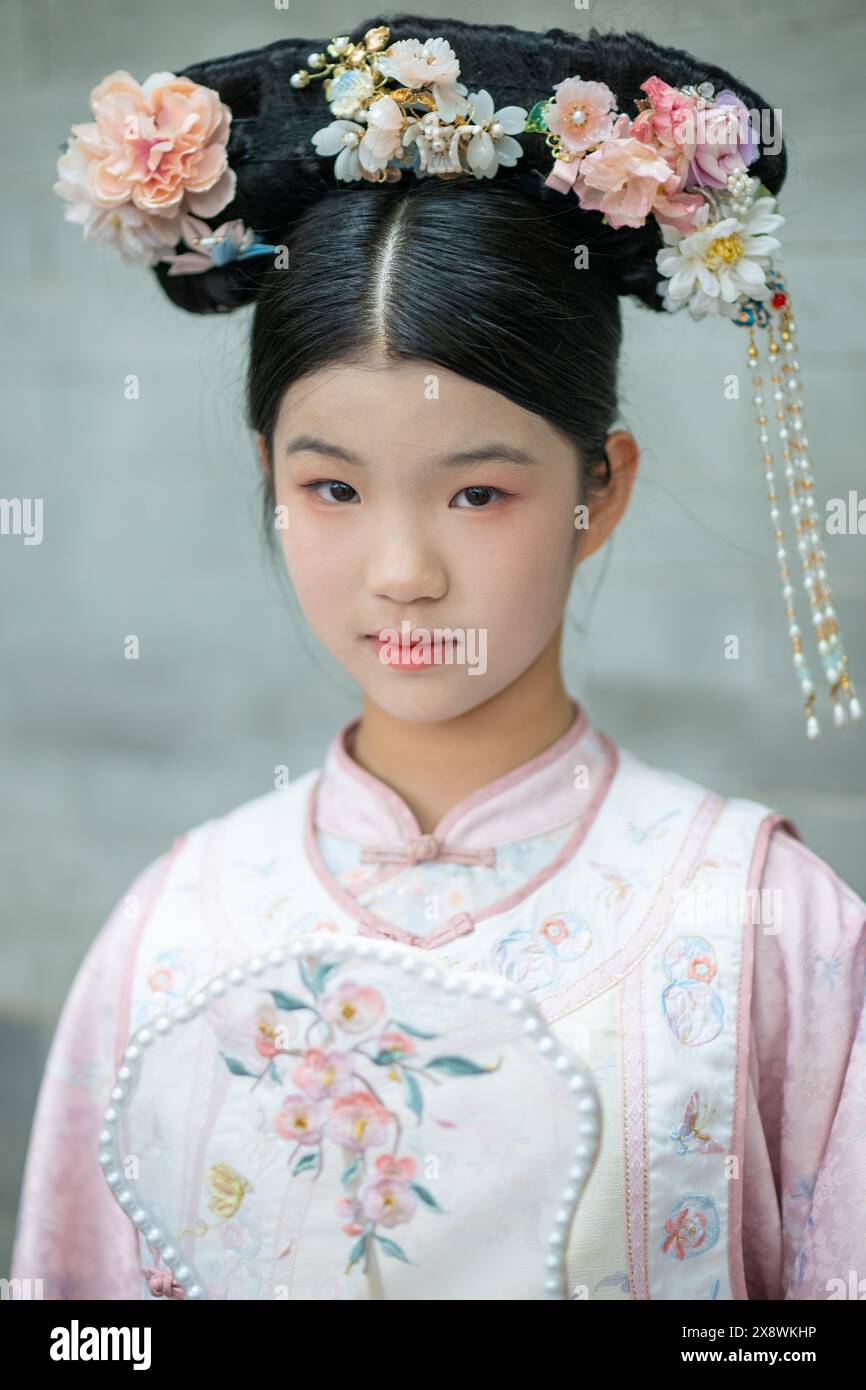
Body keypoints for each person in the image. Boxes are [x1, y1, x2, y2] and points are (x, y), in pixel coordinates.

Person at [10, 15, 865, 1301]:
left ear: (600, 490)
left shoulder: (770, 929)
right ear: (269, 481)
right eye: (334, 489)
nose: (400, 569)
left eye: (476, 494)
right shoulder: (176, 928)